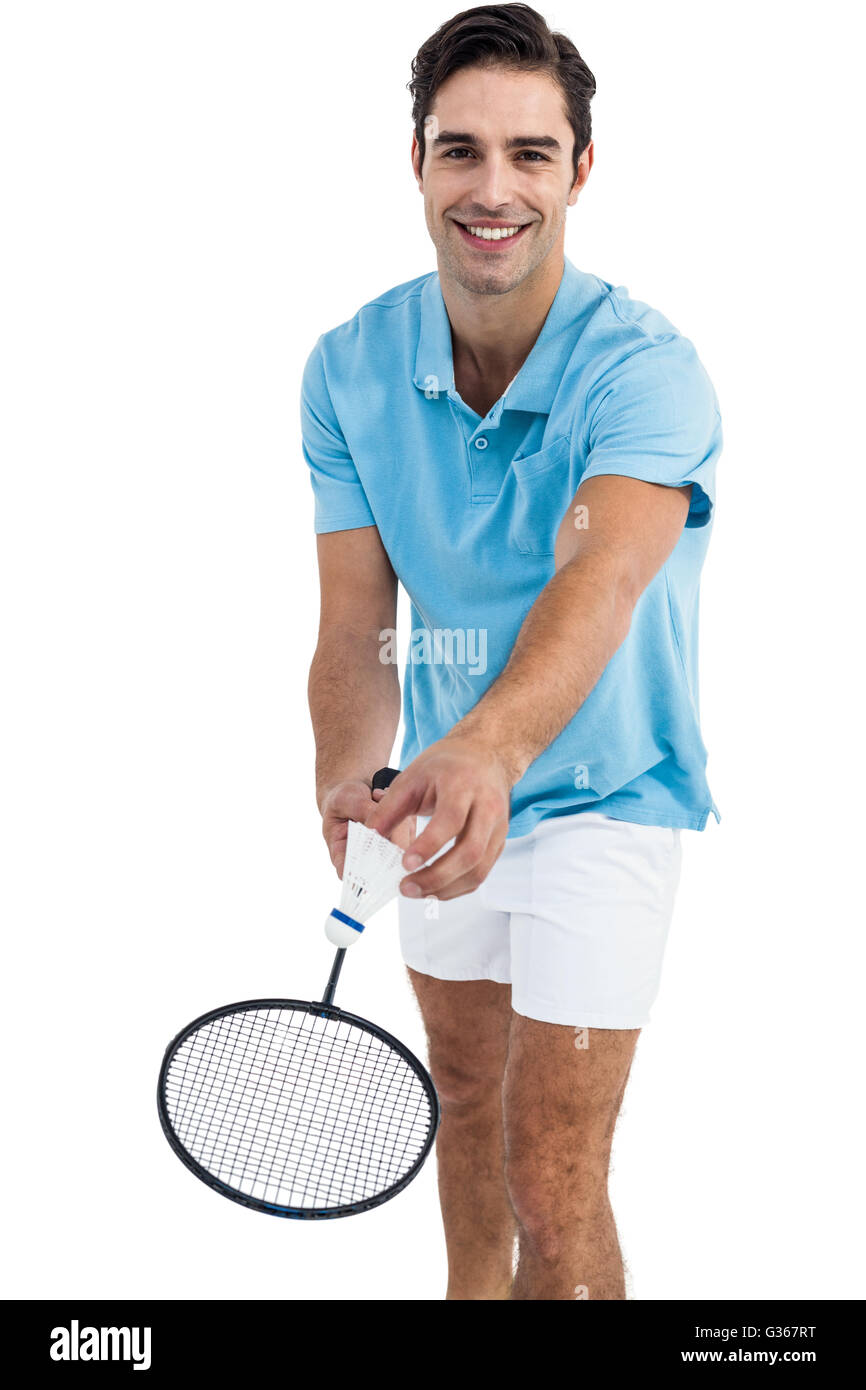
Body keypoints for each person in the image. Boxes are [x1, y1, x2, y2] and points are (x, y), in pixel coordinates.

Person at [303, 3, 722, 1300]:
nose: (493, 189)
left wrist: (486, 745)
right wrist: (347, 772)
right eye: (460, 150)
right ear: (416, 161)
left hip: (602, 798)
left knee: (552, 1182)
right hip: (440, 807)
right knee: (468, 1117)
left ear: (579, 170)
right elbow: (357, 623)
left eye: (531, 154)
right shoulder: (346, 367)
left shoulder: (646, 372)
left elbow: (596, 579)